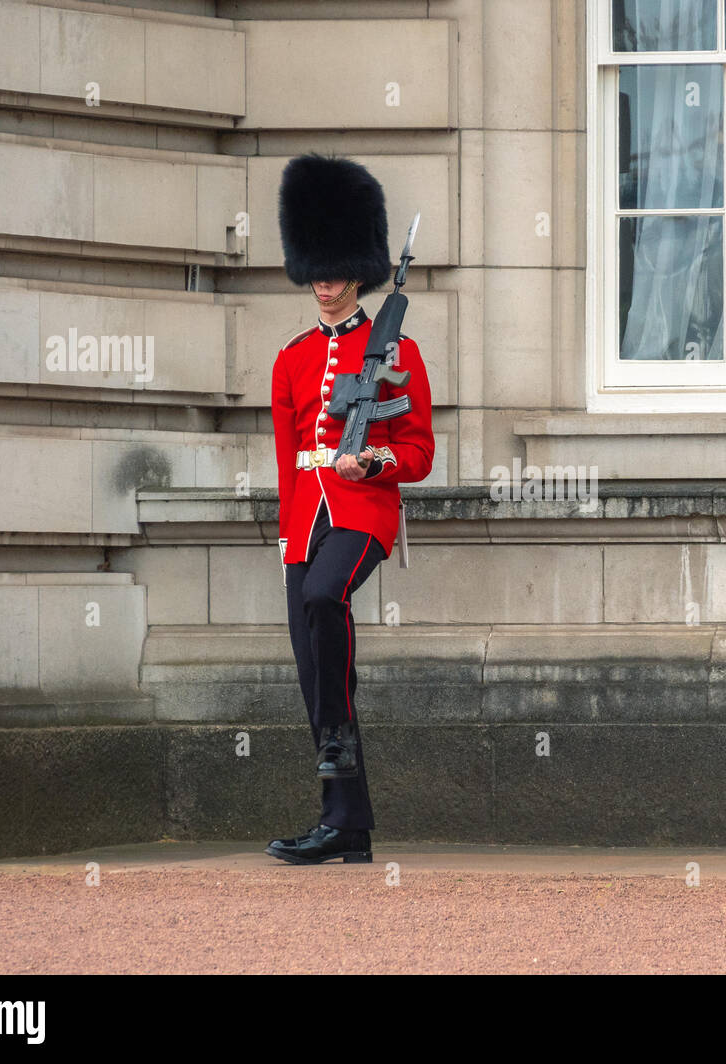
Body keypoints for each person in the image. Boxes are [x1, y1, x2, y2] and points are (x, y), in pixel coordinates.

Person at [265, 154, 434, 865]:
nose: (325, 285)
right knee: (313, 665)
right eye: (317, 272)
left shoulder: (396, 351)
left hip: (361, 512)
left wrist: (374, 460)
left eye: (335, 272)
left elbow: (419, 453)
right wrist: (285, 539)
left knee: (327, 595)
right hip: (307, 517)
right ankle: (347, 823)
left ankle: (339, 762)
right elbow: (286, 461)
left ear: (357, 271)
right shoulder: (292, 360)